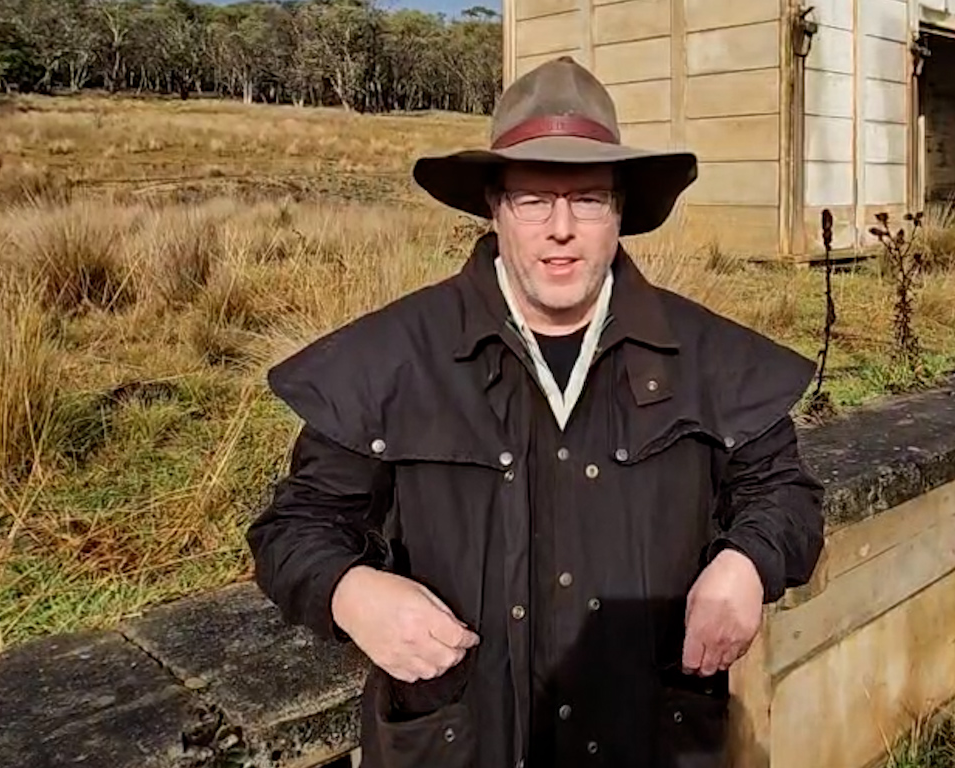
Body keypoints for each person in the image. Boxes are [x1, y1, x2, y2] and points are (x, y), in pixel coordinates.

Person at [246, 56, 826, 768]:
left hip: (651, 742)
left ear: (620, 211)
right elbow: (295, 529)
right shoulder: (395, 358)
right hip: (456, 745)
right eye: (532, 200)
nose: (561, 228)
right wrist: (351, 592)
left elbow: (786, 496)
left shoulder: (711, 358)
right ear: (494, 206)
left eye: (587, 200)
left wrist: (747, 563)